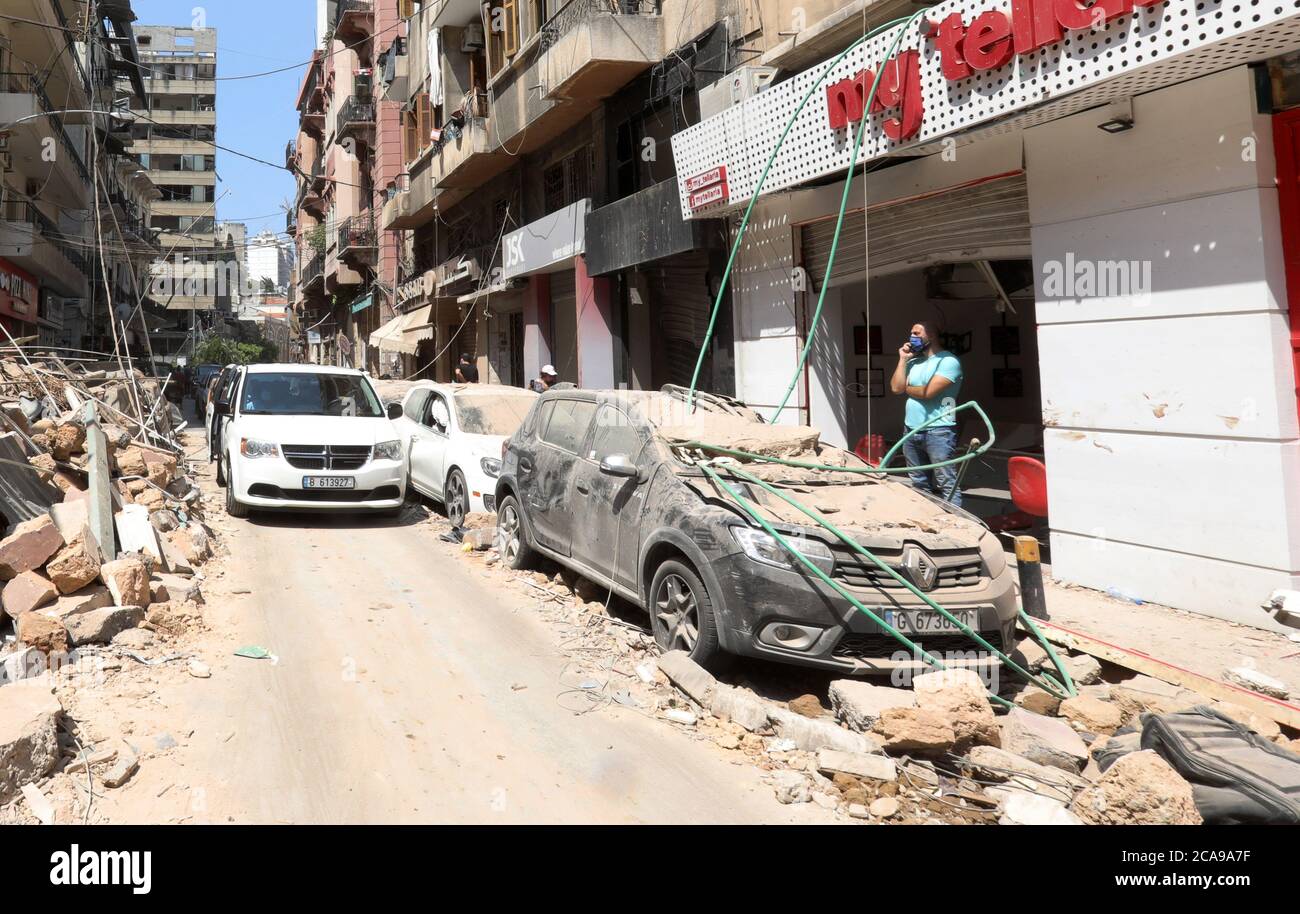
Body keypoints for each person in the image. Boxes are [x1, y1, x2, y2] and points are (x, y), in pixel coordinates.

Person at [889, 320, 964, 506]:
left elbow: (927, 392)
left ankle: (957, 523)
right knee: (918, 482)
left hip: (939, 430)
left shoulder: (948, 361)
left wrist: (908, 388)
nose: (912, 337)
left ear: (930, 336)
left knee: (946, 481)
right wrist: (903, 359)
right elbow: (895, 387)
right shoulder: (914, 361)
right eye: (911, 333)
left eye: (916, 333)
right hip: (911, 429)